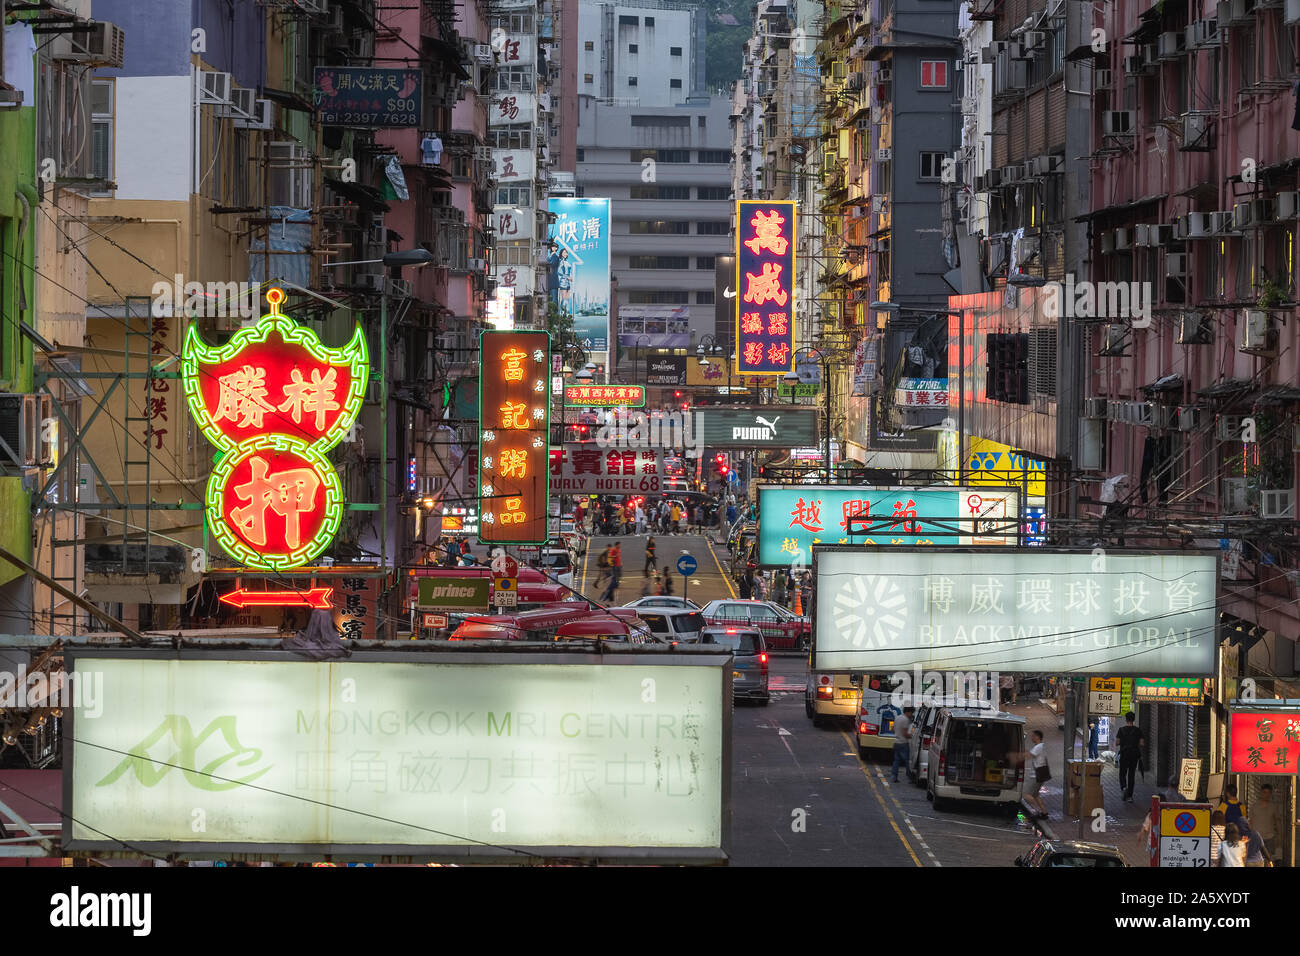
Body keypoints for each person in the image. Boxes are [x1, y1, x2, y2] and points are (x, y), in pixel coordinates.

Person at [1115, 711, 1144, 801]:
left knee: (1122, 773)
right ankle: (1130, 796)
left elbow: (1117, 742)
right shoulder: (1138, 730)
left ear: (1126, 719)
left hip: (1124, 753)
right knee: (1131, 774)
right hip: (1134, 754)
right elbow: (1142, 743)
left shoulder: (1121, 730)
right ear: (1134, 719)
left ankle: (1124, 787)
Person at [1023, 729, 1050, 818]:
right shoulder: (1040, 746)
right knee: (1035, 795)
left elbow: (1029, 755)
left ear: (1037, 737)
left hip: (1035, 776)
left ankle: (1036, 811)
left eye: (1033, 736)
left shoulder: (1038, 747)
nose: (1032, 737)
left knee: (1026, 794)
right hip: (1040, 775)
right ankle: (1044, 813)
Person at [1252, 783, 1282, 859]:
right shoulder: (1254, 806)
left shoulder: (1273, 807)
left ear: (1271, 794)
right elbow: (1250, 822)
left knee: (1270, 860)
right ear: (1261, 793)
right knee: (1258, 860)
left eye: (1268, 793)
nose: (1266, 795)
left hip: (1270, 838)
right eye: (1265, 792)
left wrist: (1279, 836)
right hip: (1257, 838)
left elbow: (1278, 822)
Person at [892, 706, 915, 782]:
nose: (911, 715)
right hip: (903, 743)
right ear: (908, 712)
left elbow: (892, 729)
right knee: (907, 761)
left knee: (896, 760)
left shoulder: (897, 717)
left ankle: (894, 777)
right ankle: (910, 777)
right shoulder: (905, 720)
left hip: (896, 742)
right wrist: (911, 736)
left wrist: (897, 733)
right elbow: (905, 733)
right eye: (911, 713)